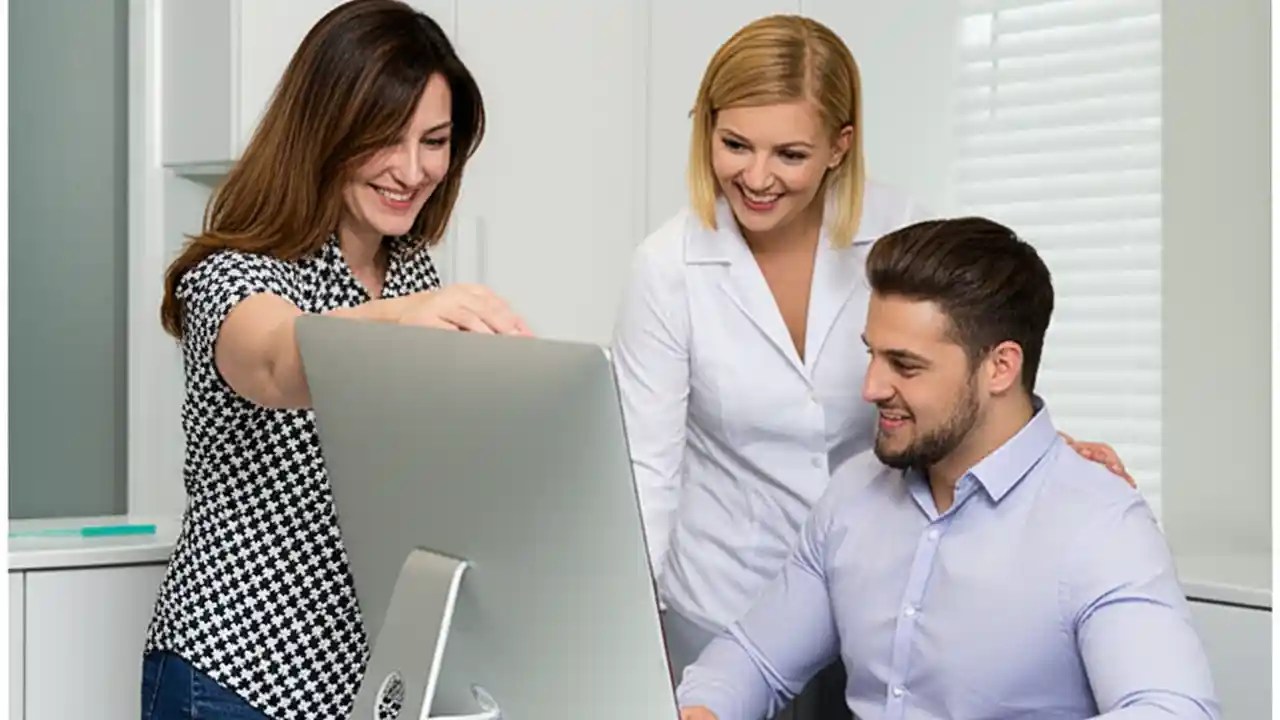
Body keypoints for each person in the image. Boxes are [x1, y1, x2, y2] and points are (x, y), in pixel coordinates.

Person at [611, 14, 1131, 718]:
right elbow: (644, 471)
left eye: (790, 154)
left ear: (840, 145)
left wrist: (1041, 453)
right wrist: (617, 629)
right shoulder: (667, 268)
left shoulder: (897, 235)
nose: (756, 177)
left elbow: (962, 371)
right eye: (734, 145)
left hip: (878, 599)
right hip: (726, 602)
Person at [143, 1, 527, 718]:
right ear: (324, 130)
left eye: (435, 141)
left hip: (358, 682)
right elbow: (276, 361)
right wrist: (402, 322)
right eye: (384, 138)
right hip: (234, 673)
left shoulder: (411, 274)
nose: (412, 170)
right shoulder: (233, 273)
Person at [675, 217, 1218, 720]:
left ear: (1000, 367)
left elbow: (1173, 711)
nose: (871, 387)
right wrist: (704, 708)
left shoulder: (1100, 525)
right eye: (871, 355)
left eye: (905, 365)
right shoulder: (854, 497)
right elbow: (752, 659)